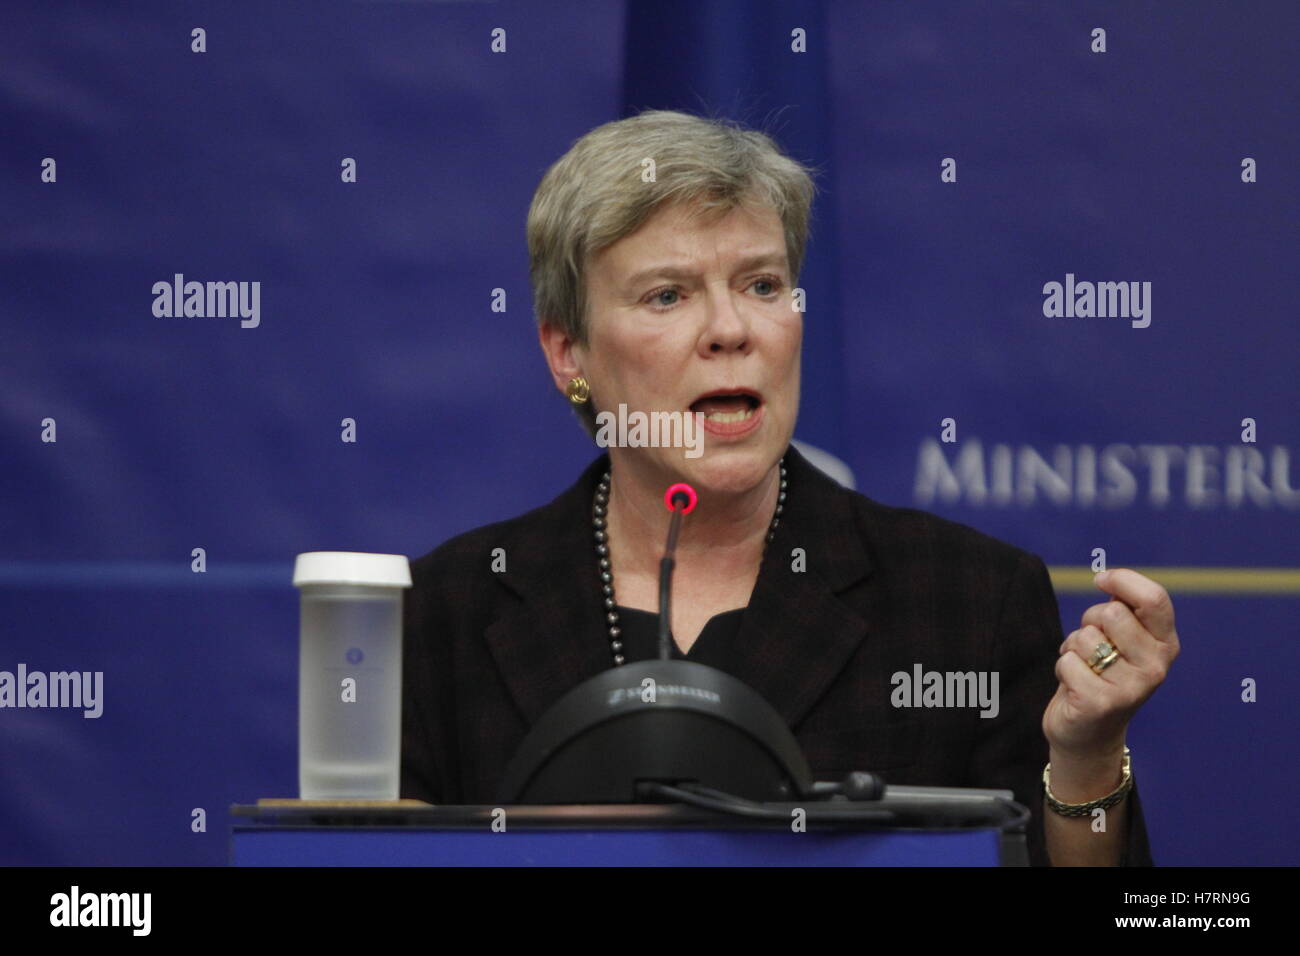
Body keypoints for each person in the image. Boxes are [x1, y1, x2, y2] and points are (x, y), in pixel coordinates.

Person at [400, 109, 1180, 866]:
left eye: (763, 285)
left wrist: (1086, 760)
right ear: (568, 352)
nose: (731, 328)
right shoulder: (451, 608)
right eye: (667, 295)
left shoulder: (968, 599)